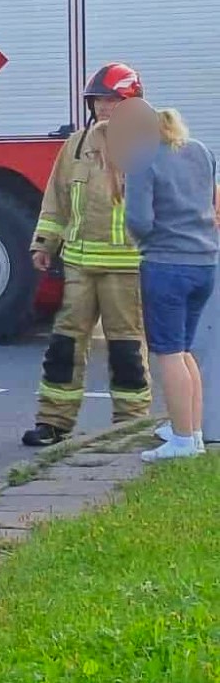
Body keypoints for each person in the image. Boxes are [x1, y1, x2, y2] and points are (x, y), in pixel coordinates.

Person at [22, 64, 149, 447]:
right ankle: (53, 421)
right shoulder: (76, 144)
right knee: (63, 345)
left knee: (127, 350)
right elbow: (57, 199)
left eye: (111, 100)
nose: (103, 108)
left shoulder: (148, 145)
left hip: (126, 269)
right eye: (98, 101)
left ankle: (130, 427)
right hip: (78, 267)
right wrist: (44, 243)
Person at [108, 98, 220, 462]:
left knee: (169, 354)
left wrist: (140, 237)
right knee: (185, 351)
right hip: (204, 262)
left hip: (165, 265)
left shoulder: (143, 158)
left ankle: (183, 441)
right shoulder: (200, 151)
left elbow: (139, 219)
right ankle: (193, 430)